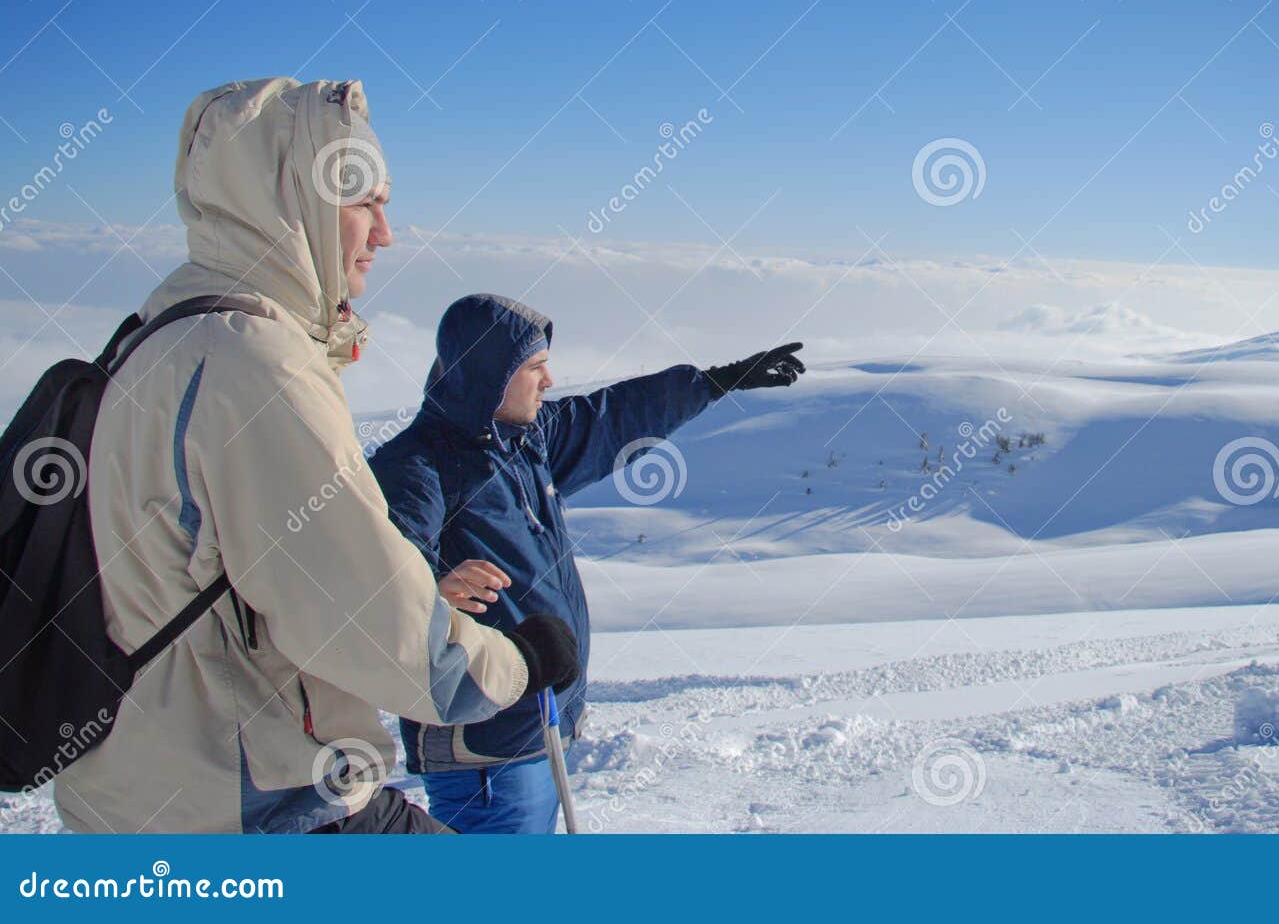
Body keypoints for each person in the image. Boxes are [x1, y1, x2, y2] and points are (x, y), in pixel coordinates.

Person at [52, 79, 578, 834]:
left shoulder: (157, 334)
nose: (386, 233)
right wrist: (521, 660)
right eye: (365, 202)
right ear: (294, 196)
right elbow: (381, 624)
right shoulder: (255, 366)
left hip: (141, 795)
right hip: (257, 810)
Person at [370, 293, 803, 832]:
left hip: (538, 724)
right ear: (490, 377)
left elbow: (616, 415)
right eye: (534, 369)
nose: (548, 382)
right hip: (482, 742)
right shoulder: (417, 467)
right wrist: (428, 586)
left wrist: (716, 382)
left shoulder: (527, 443)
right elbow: (366, 581)